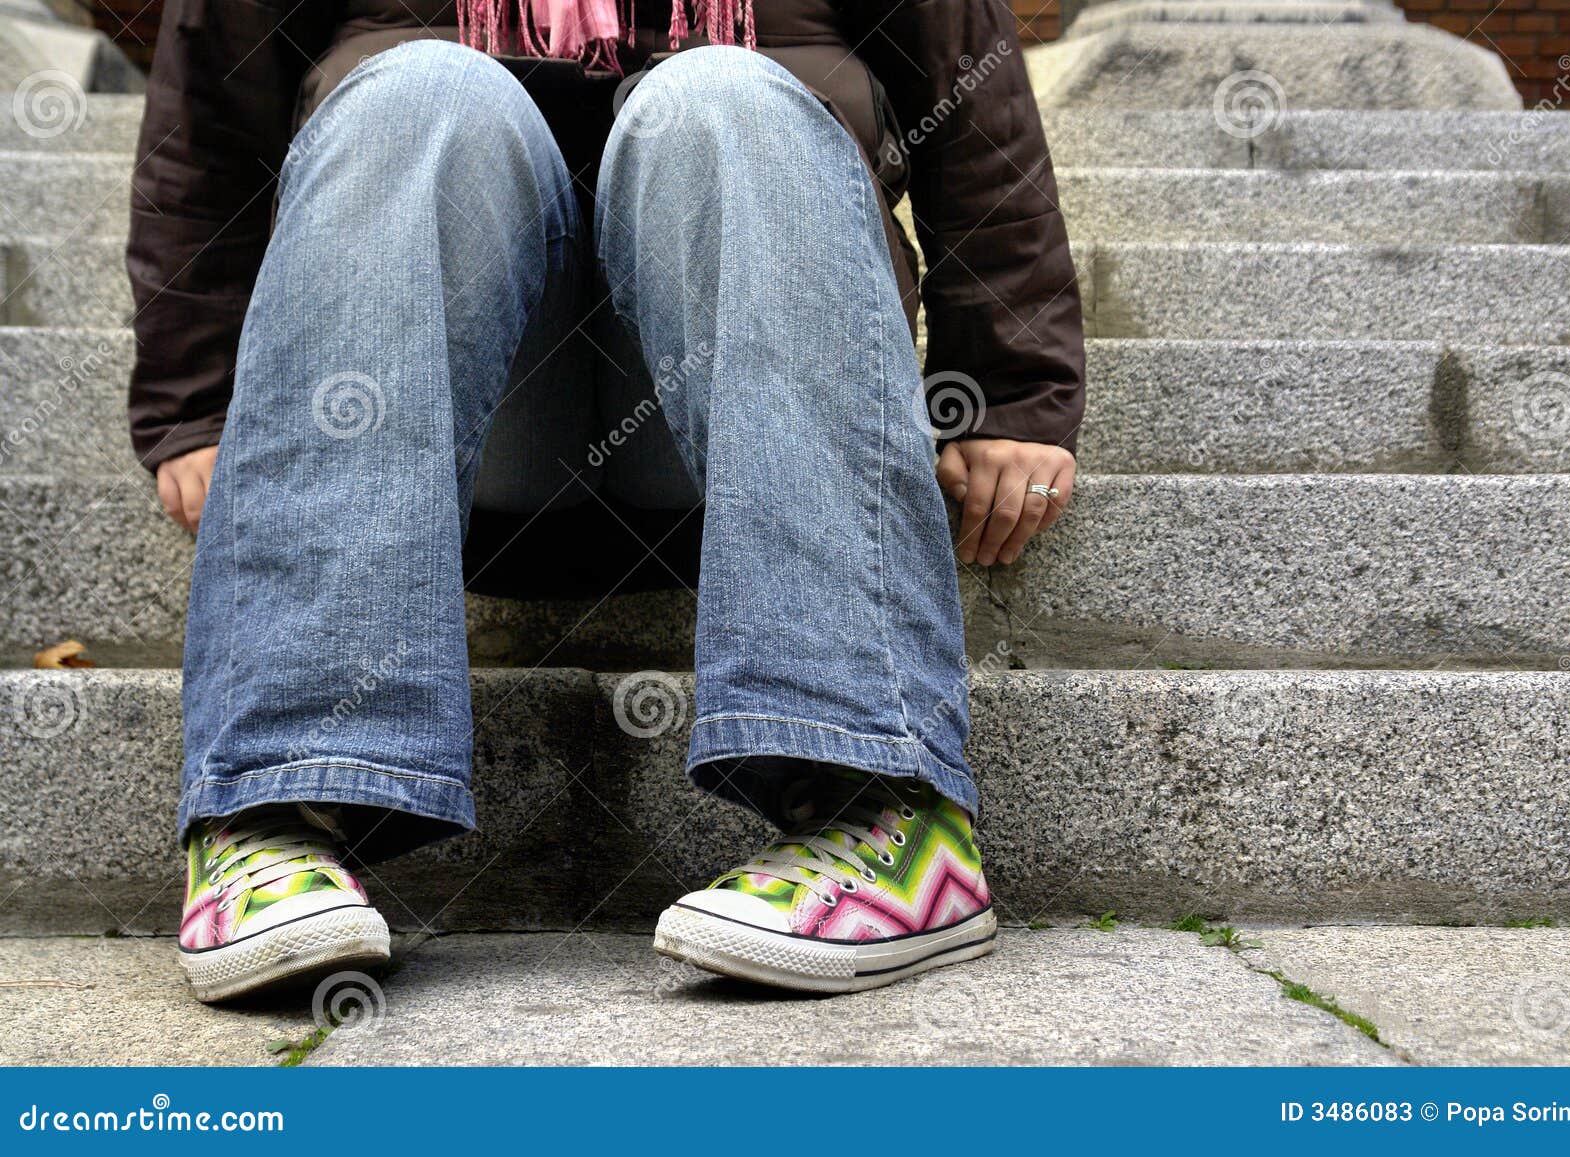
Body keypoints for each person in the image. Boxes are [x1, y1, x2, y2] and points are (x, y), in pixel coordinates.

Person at [130, 0, 1085, 1002]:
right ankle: (279, 806)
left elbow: (967, 89)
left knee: (722, 98)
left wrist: (1008, 386)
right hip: (438, 390)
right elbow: (209, 124)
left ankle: (891, 810)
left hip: (742, 382)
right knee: (421, 92)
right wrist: (196, 410)